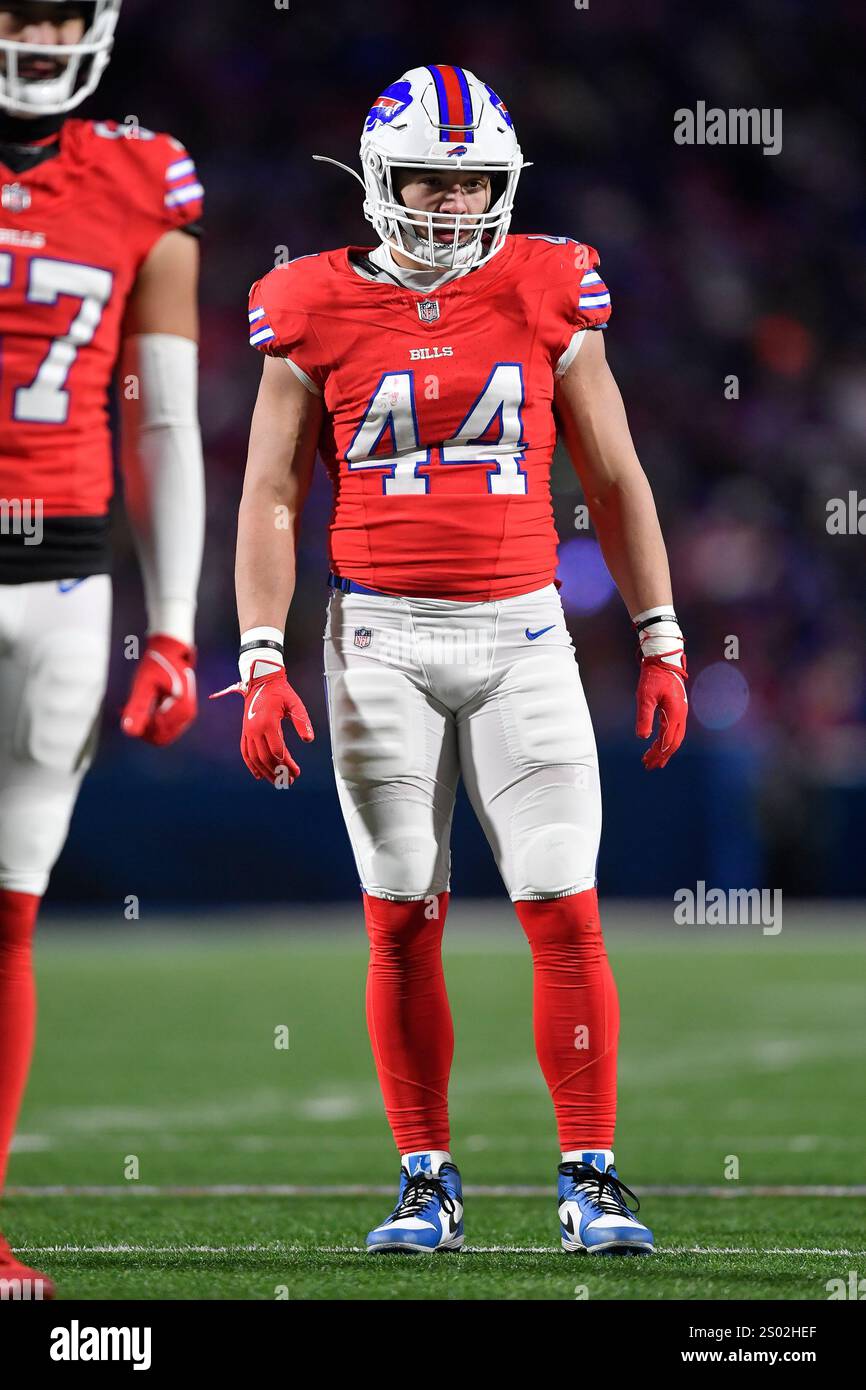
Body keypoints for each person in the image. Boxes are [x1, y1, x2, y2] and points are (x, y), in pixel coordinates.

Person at [227, 65, 687, 1255]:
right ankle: (423, 1176)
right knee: (398, 914)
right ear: (379, 180)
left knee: (563, 908)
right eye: (427, 178)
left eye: (470, 181)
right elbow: (271, 489)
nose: (446, 202)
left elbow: (614, 476)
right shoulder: (306, 304)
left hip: (522, 630)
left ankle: (590, 1172)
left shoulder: (548, 284)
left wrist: (660, 637)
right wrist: (261, 652)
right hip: (376, 634)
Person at [0, 0, 205, 1296]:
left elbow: (168, 424)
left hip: (67, 587)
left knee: (9, 914)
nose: (37, 31)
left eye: (60, 10)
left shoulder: (142, 178)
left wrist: (176, 625)